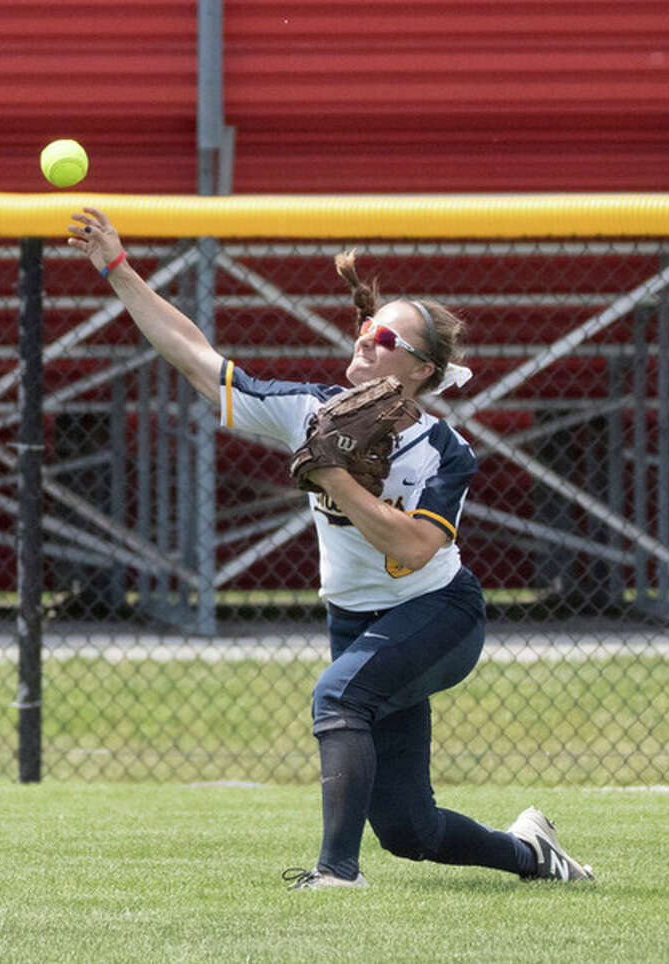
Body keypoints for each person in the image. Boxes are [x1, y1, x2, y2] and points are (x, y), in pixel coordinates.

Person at [66, 207, 594, 889]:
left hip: (438, 617)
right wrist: (117, 268)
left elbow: (408, 548)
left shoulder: (443, 451)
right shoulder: (312, 411)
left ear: (420, 369)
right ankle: (532, 854)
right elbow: (199, 362)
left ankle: (336, 874)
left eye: (385, 337)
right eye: (367, 329)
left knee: (338, 699)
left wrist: (331, 471)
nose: (366, 341)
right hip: (355, 620)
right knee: (410, 830)